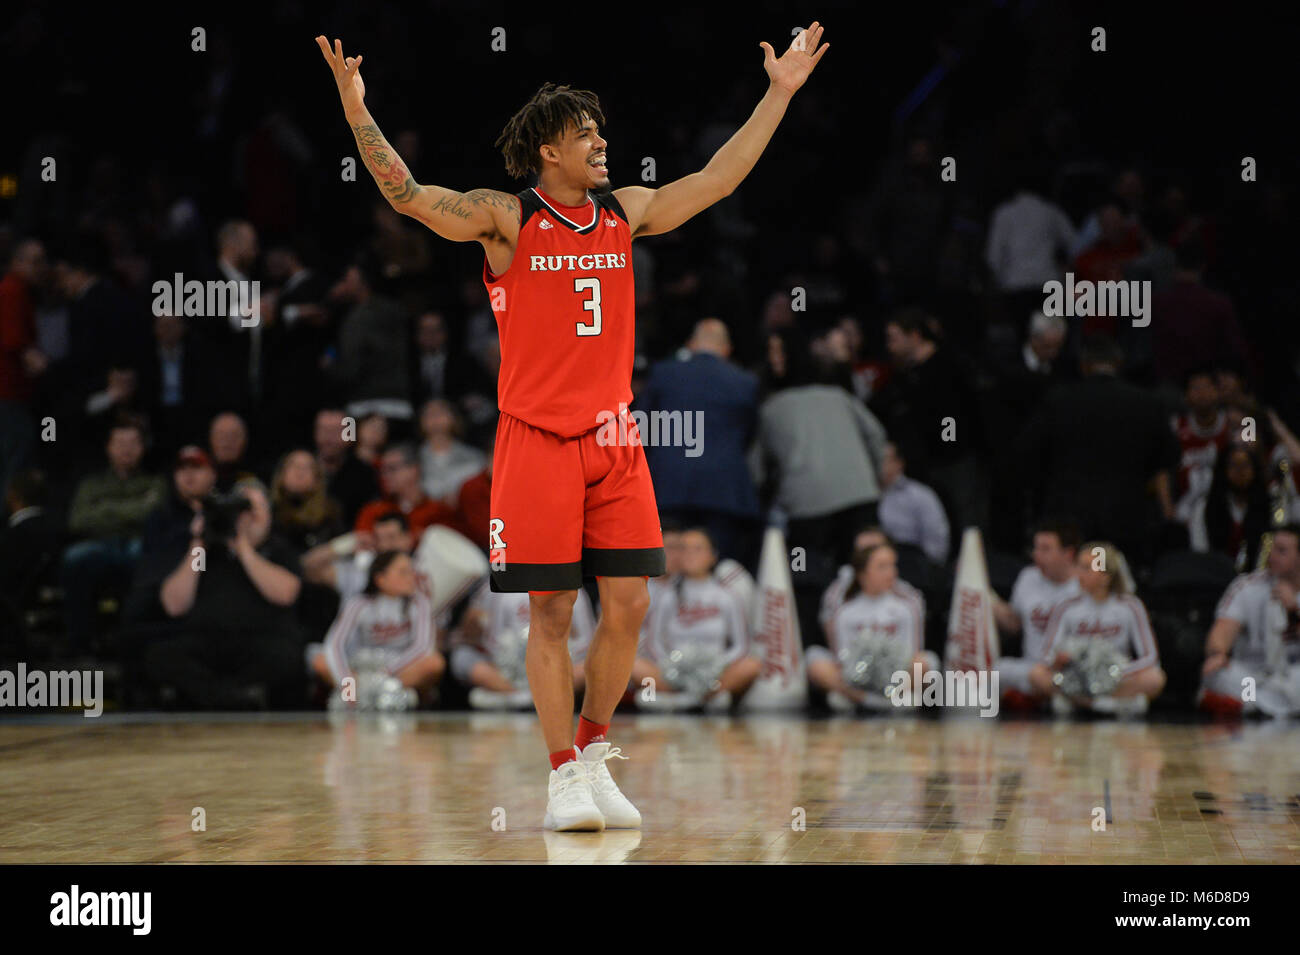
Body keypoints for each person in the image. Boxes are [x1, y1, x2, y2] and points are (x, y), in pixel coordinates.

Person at [316, 21, 828, 831]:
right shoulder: (505, 218)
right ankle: (560, 777)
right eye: (584, 132)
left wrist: (779, 93)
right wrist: (356, 111)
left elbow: (720, 179)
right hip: (536, 440)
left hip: (616, 439)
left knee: (628, 604)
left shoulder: (626, 213)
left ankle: (591, 756)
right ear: (547, 150)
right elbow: (409, 195)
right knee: (550, 611)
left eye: (599, 129)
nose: (601, 141)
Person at [147, 478, 303, 708]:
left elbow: (285, 594)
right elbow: (174, 604)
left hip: (259, 642)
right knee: (159, 656)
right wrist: (199, 542)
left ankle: (220, 697)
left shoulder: (278, 550)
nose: (246, 517)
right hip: (205, 643)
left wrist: (242, 547)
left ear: (268, 514)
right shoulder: (205, 552)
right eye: (241, 510)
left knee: (288, 658)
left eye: (252, 509)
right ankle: (233, 699)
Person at [637, 318, 761, 568]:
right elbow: (749, 435)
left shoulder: (663, 373)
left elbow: (640, 427)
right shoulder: (745, 382)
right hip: (724, 491)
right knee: (719, 568)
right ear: (727, 349)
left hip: (669, 486)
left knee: (665, 569)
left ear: (691, 345)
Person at [62, 419, 166, 651]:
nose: (126, 449)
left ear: (143, 448)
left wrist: (105, 508)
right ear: (108, 447)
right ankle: (80, 642)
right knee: (73, 558)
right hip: (99, 544)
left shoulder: (156, 483)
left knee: (142, 558)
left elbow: (153, 514)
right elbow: (77, 521)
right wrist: (134, 508)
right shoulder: (91, 483)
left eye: (133, 443)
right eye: (120, 443)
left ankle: (131, 641)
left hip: (140, 544)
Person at [1029, 541, 1165, 715]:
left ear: (1106, 576)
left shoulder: (1130, 606)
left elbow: (1150, 656)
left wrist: (1116, 674)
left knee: (1155, 678)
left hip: (1116, 678)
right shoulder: (1067, 606)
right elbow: (1047, 653)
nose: (1079, 574)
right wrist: (1057, 660)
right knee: (1036, 674)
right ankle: (1104, 704)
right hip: (1075, 678)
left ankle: (1085, 703)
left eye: (1087, 568)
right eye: (1079, 567)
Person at [633, 527, 759, 711]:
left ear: (712, 556)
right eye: (684, 549)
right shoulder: (666, 595)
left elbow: (742, 645)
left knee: (752, 665)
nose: (690, 555)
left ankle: (687, 699)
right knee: (635, 666)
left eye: (698, 549)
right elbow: (654, 642)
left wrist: (716, 665)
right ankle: (699, 700)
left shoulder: (727, 595)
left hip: (716, 673)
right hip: (674, 671)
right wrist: (672, 667)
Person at [808, 542, 934, 712]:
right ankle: (868, 700)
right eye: (882, 567)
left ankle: (880, 698)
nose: (891, 572)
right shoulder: (845, 611)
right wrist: (861, 671)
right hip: (857, 677)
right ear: (862, 574)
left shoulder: (907, 606)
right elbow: (841, 658)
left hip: (895, 675)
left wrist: (888, 668)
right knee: (814, 660)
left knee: (927, 662)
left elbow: (912, 651)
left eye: (892, 565)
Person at [312, 550, 445, 704]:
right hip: (362, 666)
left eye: (411, 571)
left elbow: (423, 646)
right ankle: (362, 697)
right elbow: (334, 645)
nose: (411, 578)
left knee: (434, 663)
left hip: (397, 669)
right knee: (320, 661)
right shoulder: (359, 604)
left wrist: (385, 673)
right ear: (380, 579)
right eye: (403, 572)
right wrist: (347, 686)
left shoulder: (419, 603)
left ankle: (382, 694)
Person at [1199, 524, 1300, 717]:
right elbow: (1221, 632)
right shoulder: (1247, 586)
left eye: (1282, 551)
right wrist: (1217, 653)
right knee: (1219, 673)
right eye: (1272, 549)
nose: (1272, 556)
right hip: (1252, 677)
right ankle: (1260, 706)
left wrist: (1294, 609)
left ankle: (1255, 707)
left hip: (1293, 676)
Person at [451, 580, 597, 710]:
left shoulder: (572, 586)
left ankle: (520, 699)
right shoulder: (495, 582)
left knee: (592, 665)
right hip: (502, 669)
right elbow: (477, 636)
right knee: (462, 656)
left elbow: (586, 644)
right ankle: (522, 697)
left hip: (556, 671)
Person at [991, 520, 1082, 709]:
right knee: (995, 670)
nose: (1036, 555)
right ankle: (1057, 698)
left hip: (1072, 669)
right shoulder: (1028, 577)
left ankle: (1073, 698)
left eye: (1045, 549)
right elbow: (1014, 623)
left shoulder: (1085, 585)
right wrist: (983, 592)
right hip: (1033, 669)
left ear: (1068, 554)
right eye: (1035, 548)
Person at [877, 441, 950, 564]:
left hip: (913, 566)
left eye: (883, 459)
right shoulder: (864, 497)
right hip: (871, 569)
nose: (878, 464)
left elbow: (937, 542)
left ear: (899, 463)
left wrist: (928, 569)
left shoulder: (920, 495)